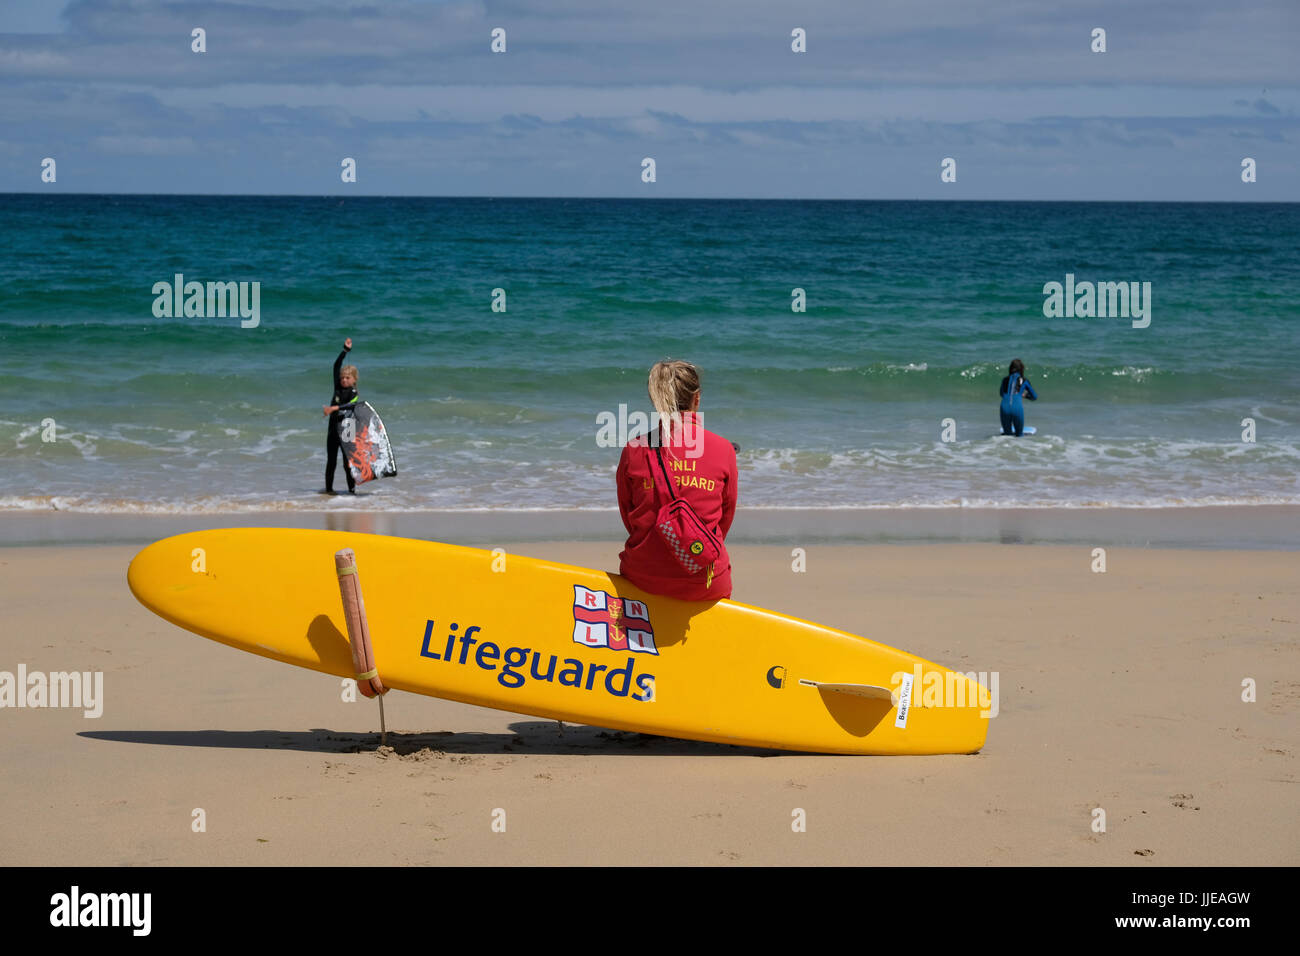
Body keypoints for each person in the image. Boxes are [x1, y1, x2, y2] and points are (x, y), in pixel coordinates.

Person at [616, 360, 738, 601]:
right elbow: (725, 518)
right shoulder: (724, 449)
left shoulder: (634, 449)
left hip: (644, 577)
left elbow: (629, 515)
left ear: (656, 400)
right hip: (706, 582)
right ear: (697, 399)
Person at [322, 337, 359, 494]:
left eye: (347, 378)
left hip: (348, 428)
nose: (344, 380)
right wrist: (345, 350)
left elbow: (351, 405)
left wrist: (333, 408)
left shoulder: (354, 393)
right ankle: (329, 490)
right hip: (333, 428)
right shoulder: (337, 388)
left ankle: (352, 490)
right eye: (342, 378)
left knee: (347, 463)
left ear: (354, 380)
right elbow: (336, 366)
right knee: (331, 461)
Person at [998, 358, 1038, 437]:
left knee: (1007, 437)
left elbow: (1002, 394)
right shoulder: (1024, 380)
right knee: (1019, 435)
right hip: (1017, 408)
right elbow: (1034, 397)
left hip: (1004, 407)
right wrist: (1025, 395)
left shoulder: (1004, 380)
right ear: (1022, 369)